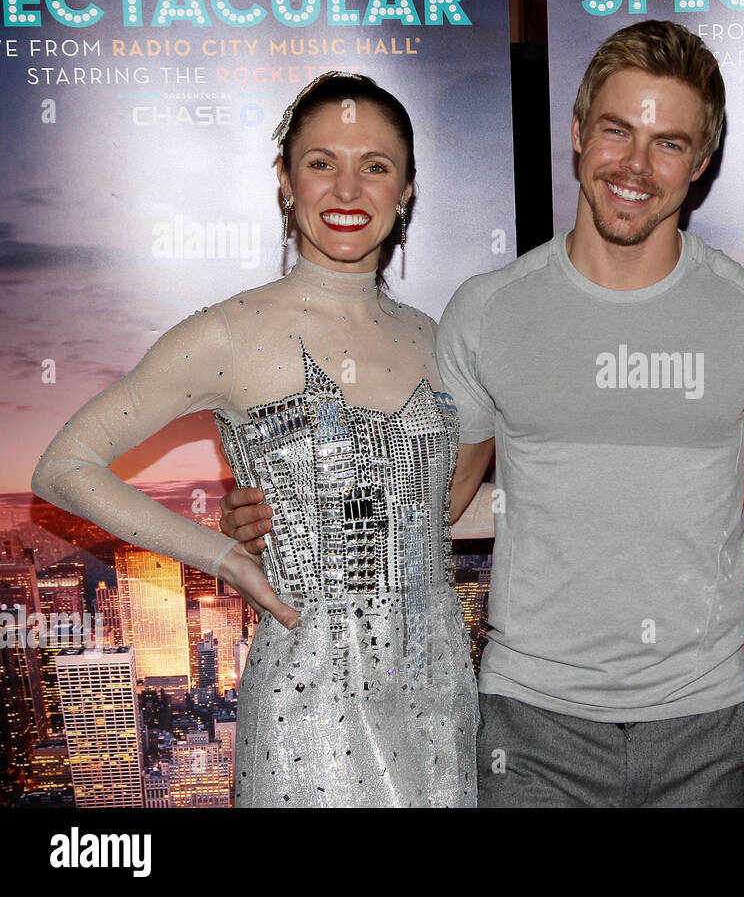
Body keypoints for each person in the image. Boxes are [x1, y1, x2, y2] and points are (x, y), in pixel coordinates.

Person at [222, 22, 744, 807]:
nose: (635, 165)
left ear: (701, 161)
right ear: (577, 132)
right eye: (616, 131)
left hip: (704, 727)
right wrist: (298, 511)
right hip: (529, 724)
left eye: (668, 143)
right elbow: (436, 504)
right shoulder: (487, 312)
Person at [31, 72, 485, 807]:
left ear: (405, 190)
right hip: (308, 696)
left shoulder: (440, 341)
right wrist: (225, 560)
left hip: (438, 691)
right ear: (285, 179)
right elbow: (64, 467)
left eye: (375, 166)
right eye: (320, 162)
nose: (347, 188)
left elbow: (442, 512)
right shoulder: (230, 331)